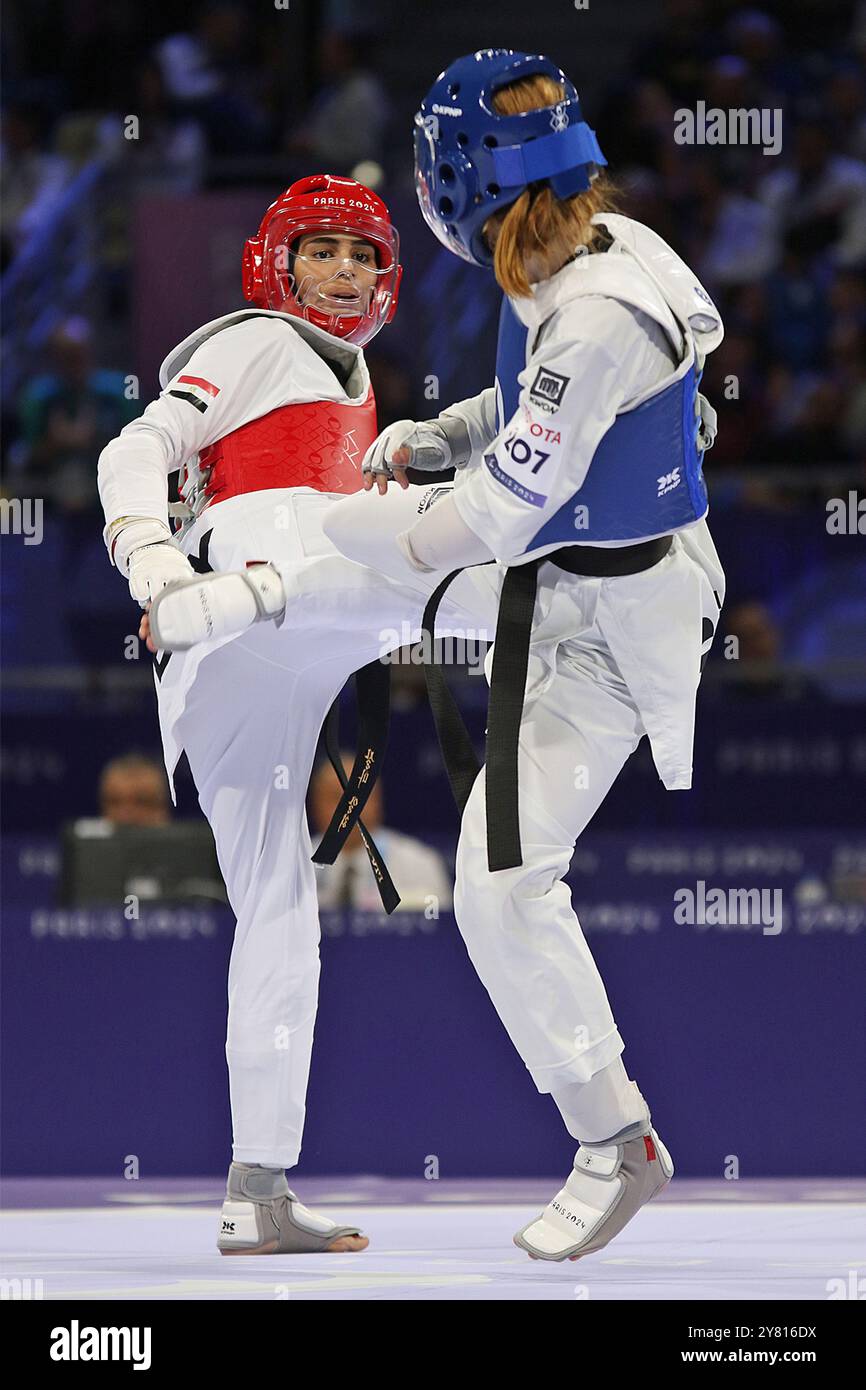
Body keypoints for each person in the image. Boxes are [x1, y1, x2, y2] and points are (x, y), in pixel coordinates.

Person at [323, 50, 727, 1263]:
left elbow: (503, 506)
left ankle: (616, 1144)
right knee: (493, 878)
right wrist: (444, 432)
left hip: (613, 628)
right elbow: (545, 413)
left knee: (498, 888)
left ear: (456, 177)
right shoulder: (574, 255)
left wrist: (366, 531)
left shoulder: (598, 306)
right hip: (562, 589)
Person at [97, 173, 496, 1255]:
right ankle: (593, 608)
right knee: (494, 546)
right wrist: (150, 570)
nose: (343, 272)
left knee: (279, 915)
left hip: (266, 644)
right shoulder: (251, 337)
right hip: (239, 587)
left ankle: (256, 1188)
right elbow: (133, 451)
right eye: (321, 250)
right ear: (275, 262)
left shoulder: (358, 380)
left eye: (363, 256)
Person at [309, 752, 453, 911]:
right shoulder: (297, 866)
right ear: (315, 806)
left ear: (377, 801)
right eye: (336, 797)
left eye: (359, 794)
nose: (349, 806)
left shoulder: (421, 864)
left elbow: (441, 927)